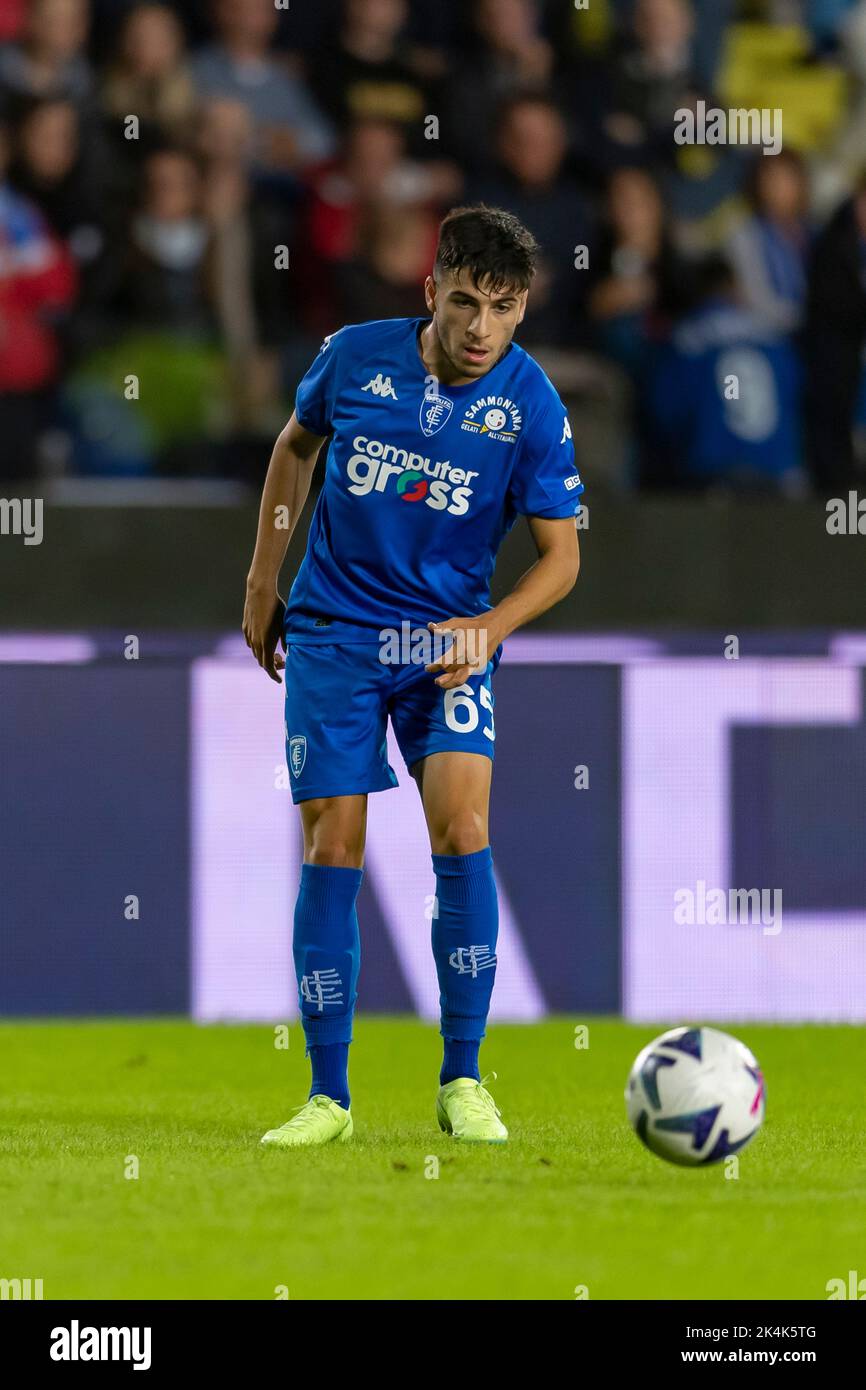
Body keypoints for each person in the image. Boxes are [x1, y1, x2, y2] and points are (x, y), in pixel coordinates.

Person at [243, 205, 583, 1146]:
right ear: (431, 290)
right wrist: (264, 574)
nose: (482, 329)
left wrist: (489, 626)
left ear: (523, 312)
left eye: (504, 309)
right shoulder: (354, 356)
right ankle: (328, 1098)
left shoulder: (532, 405)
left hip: (445, 645)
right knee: (333, 843)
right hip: (335, 633)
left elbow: (562, 560)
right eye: (467, 301)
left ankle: (464, 1078)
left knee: (464, 823)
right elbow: (293, 447)